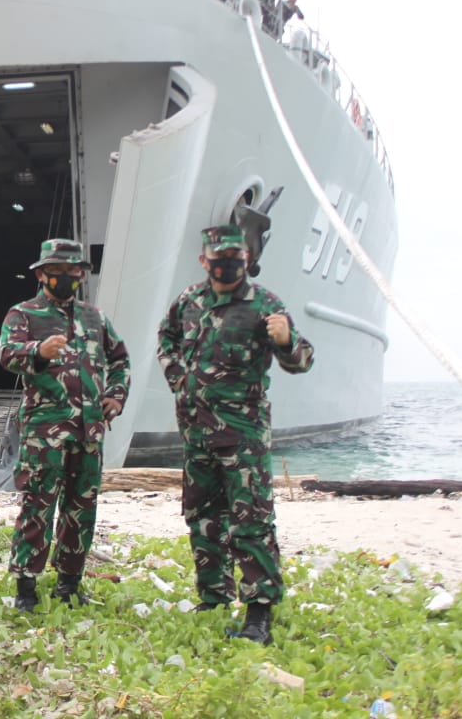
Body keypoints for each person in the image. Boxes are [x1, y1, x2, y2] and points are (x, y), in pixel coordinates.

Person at [156, 224, 313, 645]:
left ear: (245, 260)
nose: (227, 267)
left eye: (235, 260)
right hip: (196, 434)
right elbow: (166, 338)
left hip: (243, 436)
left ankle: (258, 613)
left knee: (252, 522)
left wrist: (285, 341)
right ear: (204, 260)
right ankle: (214, 596)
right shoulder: (189, 301)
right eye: (219, 260)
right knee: (202, 517)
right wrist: (179, 378)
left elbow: (302, 361)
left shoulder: (265, 303)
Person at [0, 239, 129, 611]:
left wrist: (116, 395)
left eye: (75, 272)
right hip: (45, 431)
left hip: (89, 430)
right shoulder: (23, 314)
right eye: (59, 271)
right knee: (37, 505)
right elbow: (7, 355)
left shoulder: (95, 317)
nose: (68, 278)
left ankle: (69, 584)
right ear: (41, 274)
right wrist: (37, 353)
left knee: (82, 507)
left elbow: (120, 358)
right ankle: (26, 587)